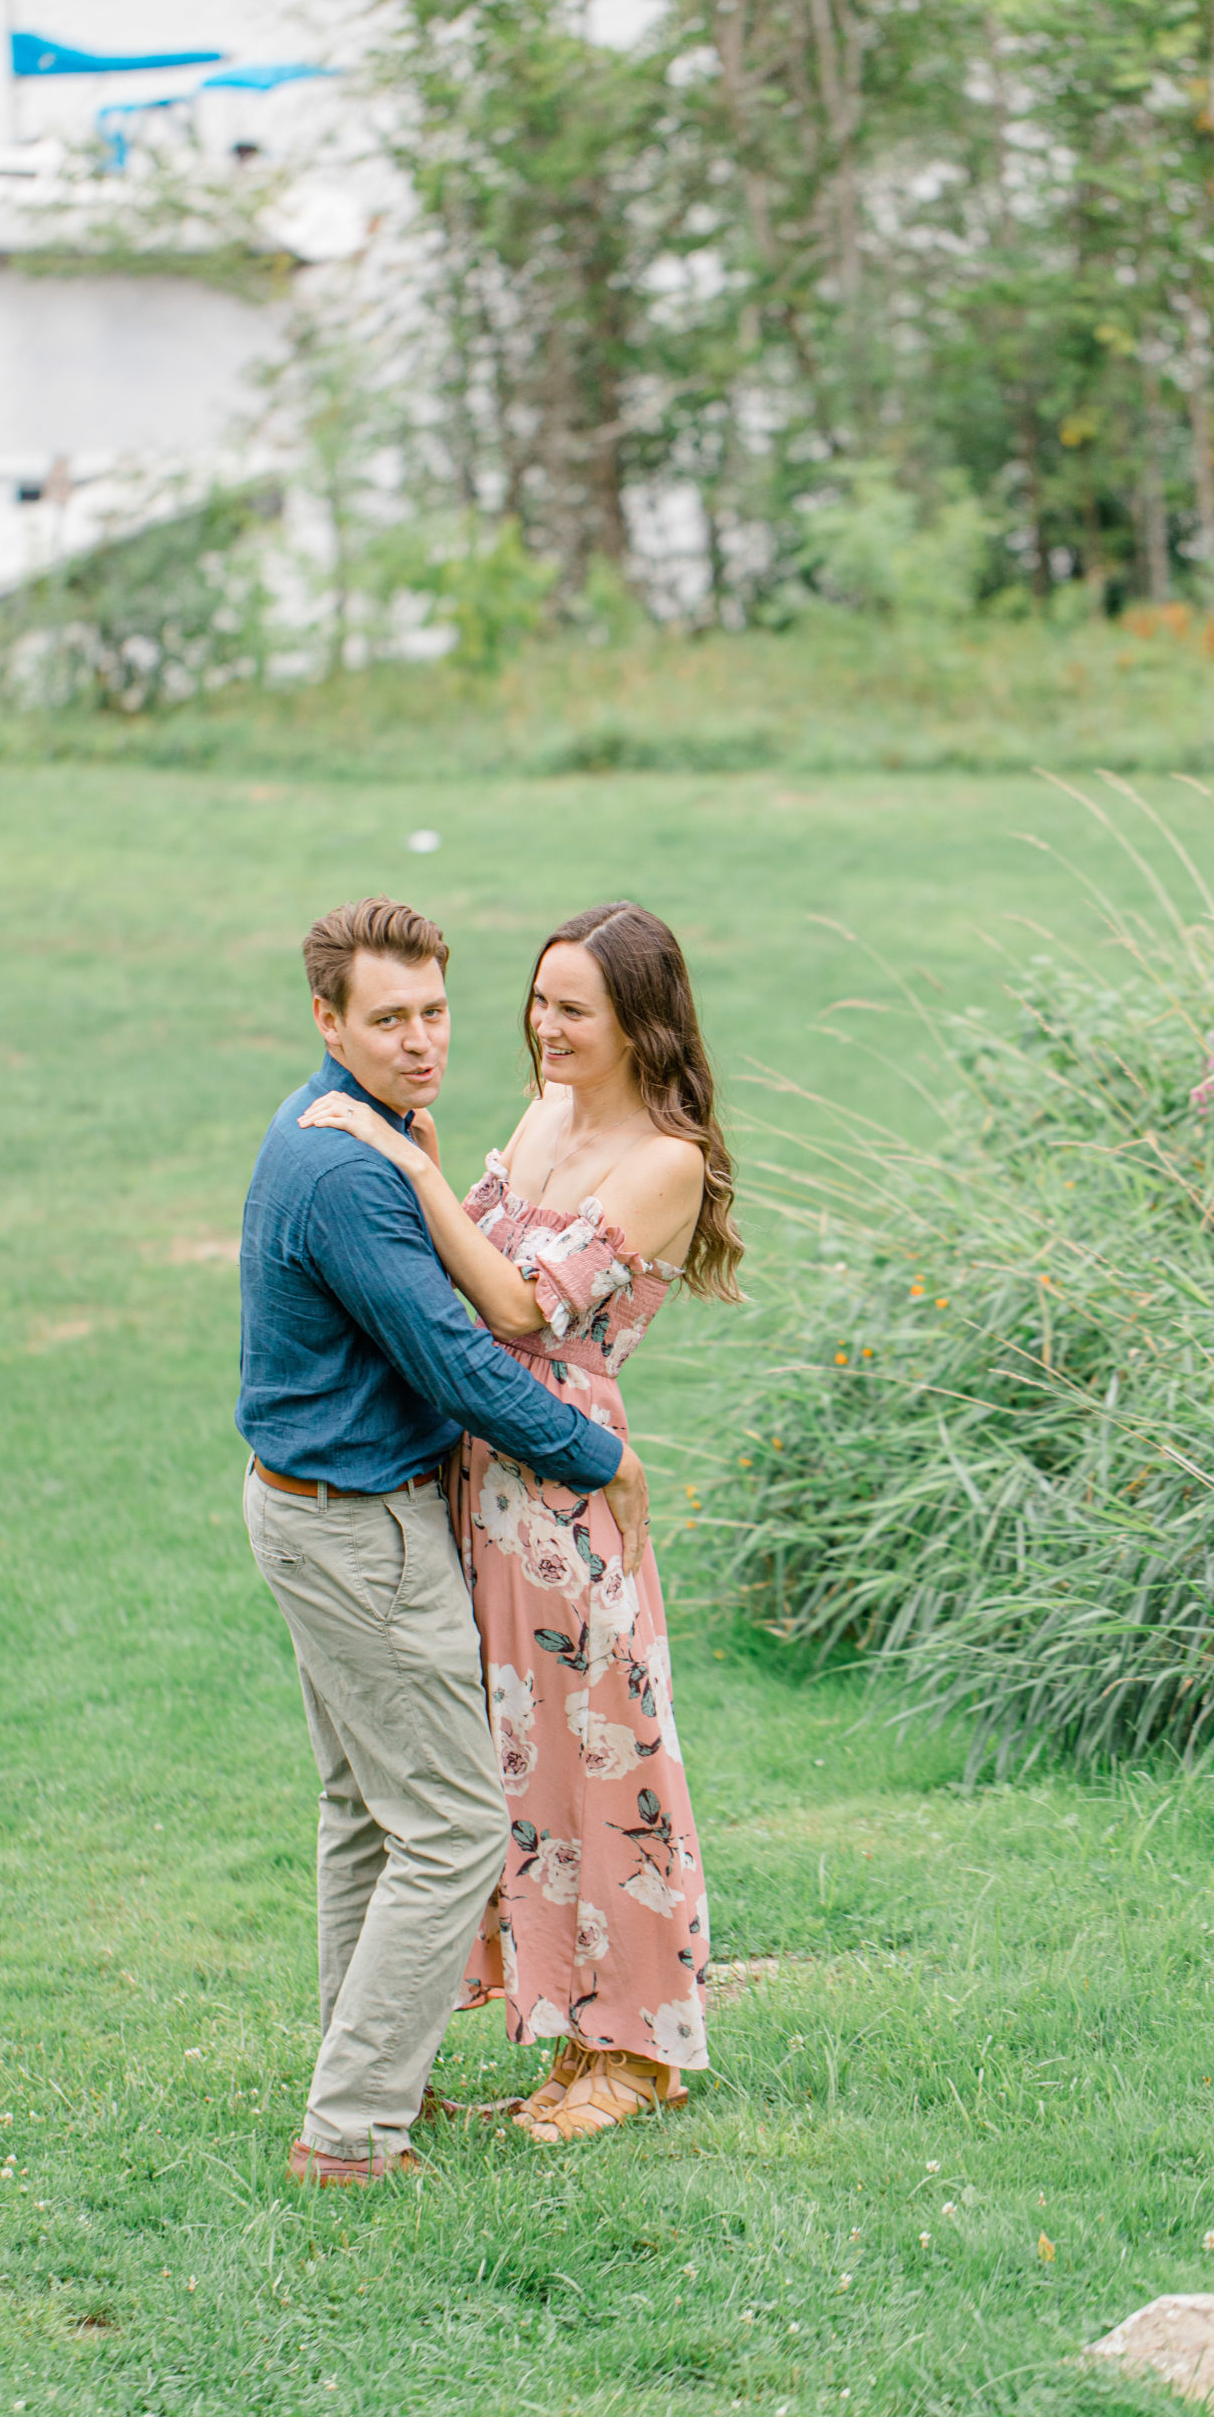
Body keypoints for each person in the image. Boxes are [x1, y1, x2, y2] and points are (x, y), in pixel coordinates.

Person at [299, 900, 743, 2143]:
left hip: (559, 1492)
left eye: (574, 1009)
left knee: (606, 1754)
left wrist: (409, 1160)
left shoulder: (664, 1159)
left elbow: (520, 1307)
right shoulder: (545, 1113)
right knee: (519, 1766)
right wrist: (422, 1160)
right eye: (540, 1000)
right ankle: (563, 2028)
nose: (544, 1028)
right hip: (476, 1473)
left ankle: (635, 2052)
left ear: (640, 1022)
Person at [237, 896, 651, 2186]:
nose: (423, 1041)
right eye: (388, 1018)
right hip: (358, 1529)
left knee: (366, 1816)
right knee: (455, 1830)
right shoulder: (349, 1167)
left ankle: (367, 2086)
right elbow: (461, 1362)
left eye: (434, 1011)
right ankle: (352, 2134)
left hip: (318, 1512)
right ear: (328, 1019)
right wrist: (602, 1454)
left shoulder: (373, 1129)